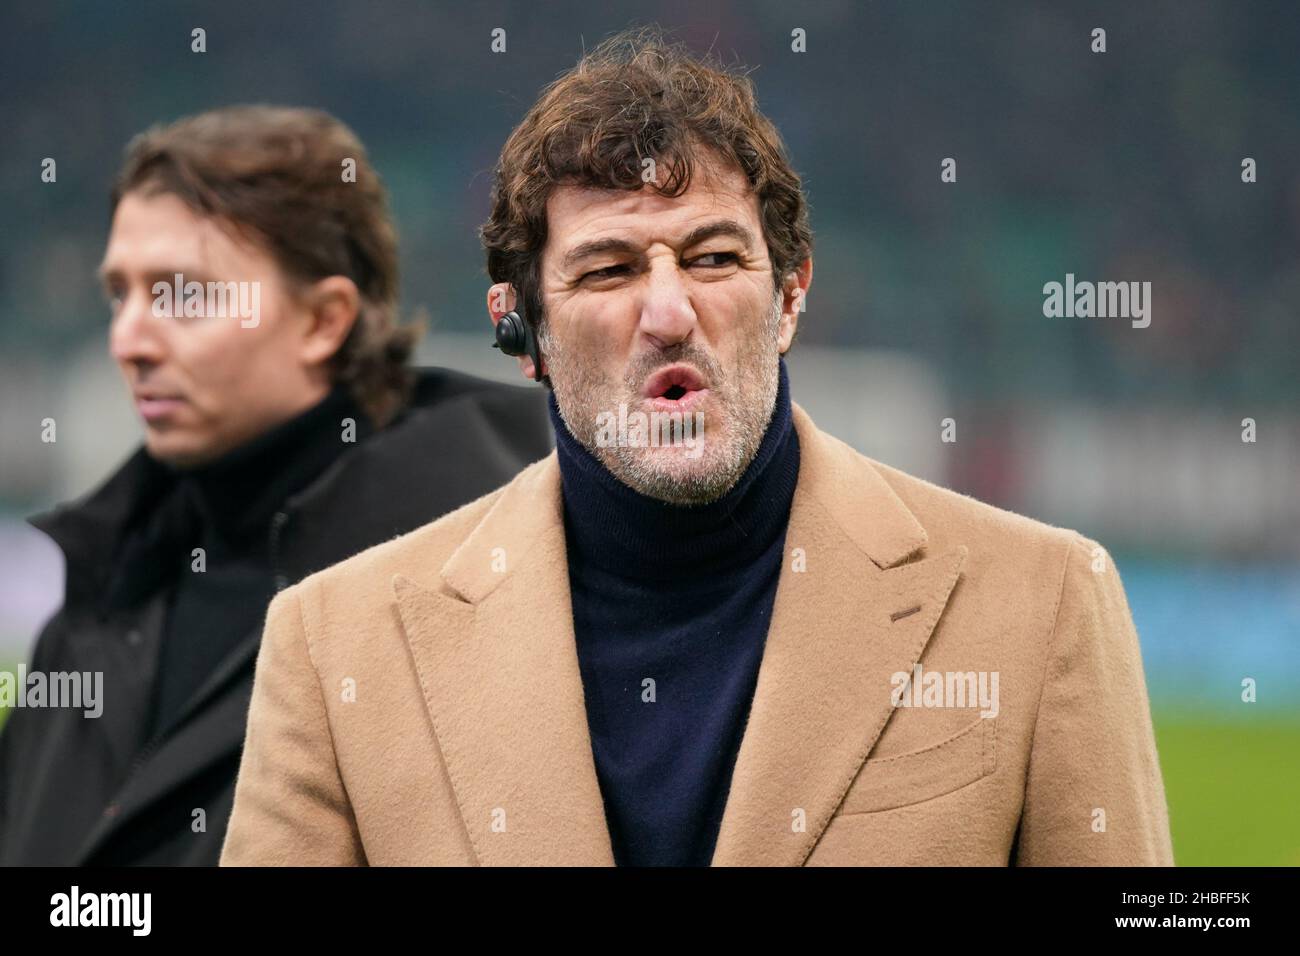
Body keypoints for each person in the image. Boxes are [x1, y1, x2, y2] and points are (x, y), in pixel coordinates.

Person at [220, 31, 1174, 866]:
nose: (670, 314)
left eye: (714, 258)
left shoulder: (1042, 603)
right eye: (608, 269)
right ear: (525, 335)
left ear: (792, 294)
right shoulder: (333, 648)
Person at [0, 105, 553, 865]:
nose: (129, 339)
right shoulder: (104, 584)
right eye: (119, 295)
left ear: (324, 320)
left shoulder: (479, 577)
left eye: (181, 294)